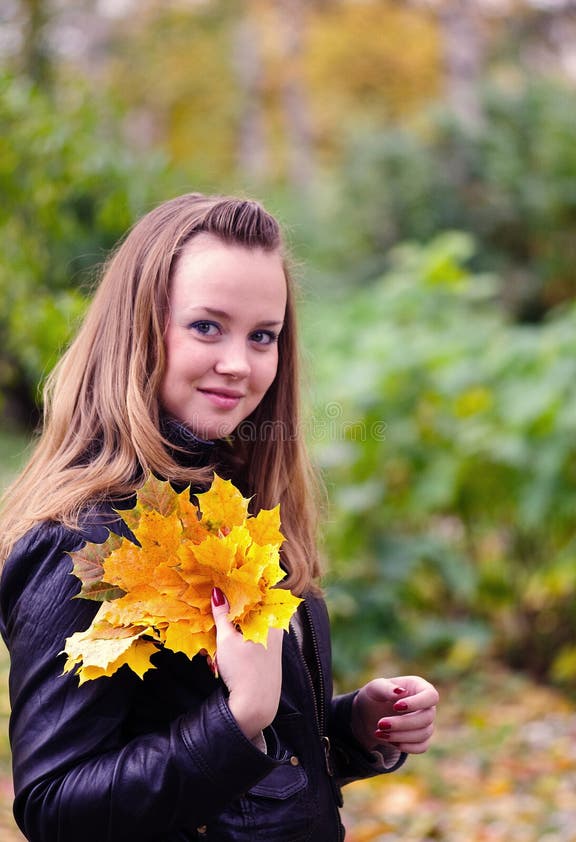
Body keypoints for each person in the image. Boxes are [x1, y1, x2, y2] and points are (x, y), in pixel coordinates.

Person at [0, 193, 439, 842]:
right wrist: (238, 720)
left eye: (263, 336)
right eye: (207, 327)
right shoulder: (83, 541)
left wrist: (348, 729)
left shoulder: (238, 506)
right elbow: (57, 808)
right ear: (140, 327)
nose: (239, 364)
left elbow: (247, 790)